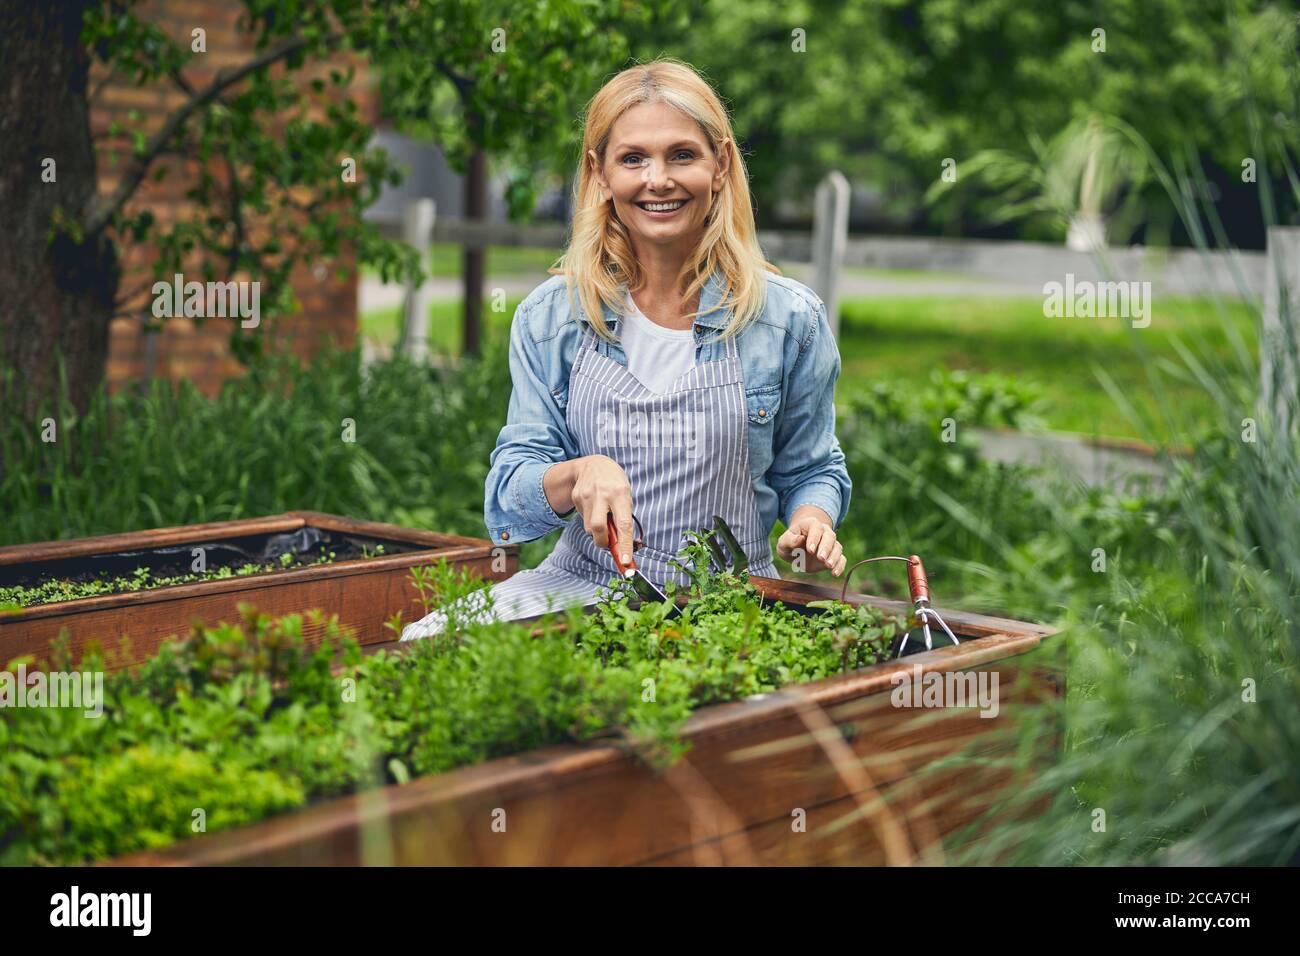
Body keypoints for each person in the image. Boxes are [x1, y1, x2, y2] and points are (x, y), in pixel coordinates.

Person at [401, 58, 850, 641]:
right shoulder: (552, 317)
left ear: (721, 166)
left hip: (733, 601)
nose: (657, 179)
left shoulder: (788, 319)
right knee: (429, 645)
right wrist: (579, 475)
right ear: (600, 174)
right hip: (581, 586)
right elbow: (510, 494)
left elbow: (812, 468)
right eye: (633, 158)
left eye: (682, 155)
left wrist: (812, 522)